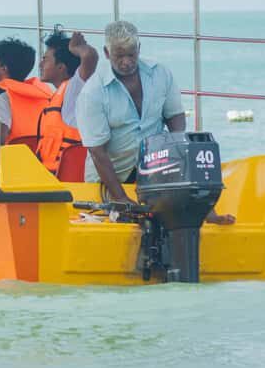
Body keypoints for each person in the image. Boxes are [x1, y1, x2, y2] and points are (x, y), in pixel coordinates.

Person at [76, 21, 234, 224]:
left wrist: (176, 153)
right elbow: (97, 152)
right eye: (119, 56)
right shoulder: (93, 92)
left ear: (139, 49)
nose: (126, 62)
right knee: (127, 217)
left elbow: (175, 117)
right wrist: (121, 198)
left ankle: (205, 212)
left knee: (190, 153)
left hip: (155, 165)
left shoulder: (160, 73)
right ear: (107, 53)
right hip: (111, 176)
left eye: (131, 55)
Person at [35, 30, 98, 174]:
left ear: (61, 66)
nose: (40, 64)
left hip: (69, 179)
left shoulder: (75, 89)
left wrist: (79, 49)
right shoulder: (56, 96)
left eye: (45, 59)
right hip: (48, 177)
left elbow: (90, 58)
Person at [0, 38, 52, 145]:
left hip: (11, 159)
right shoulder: (46, 97)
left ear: (4, 68)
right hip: (38, 158)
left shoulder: (1, 100)